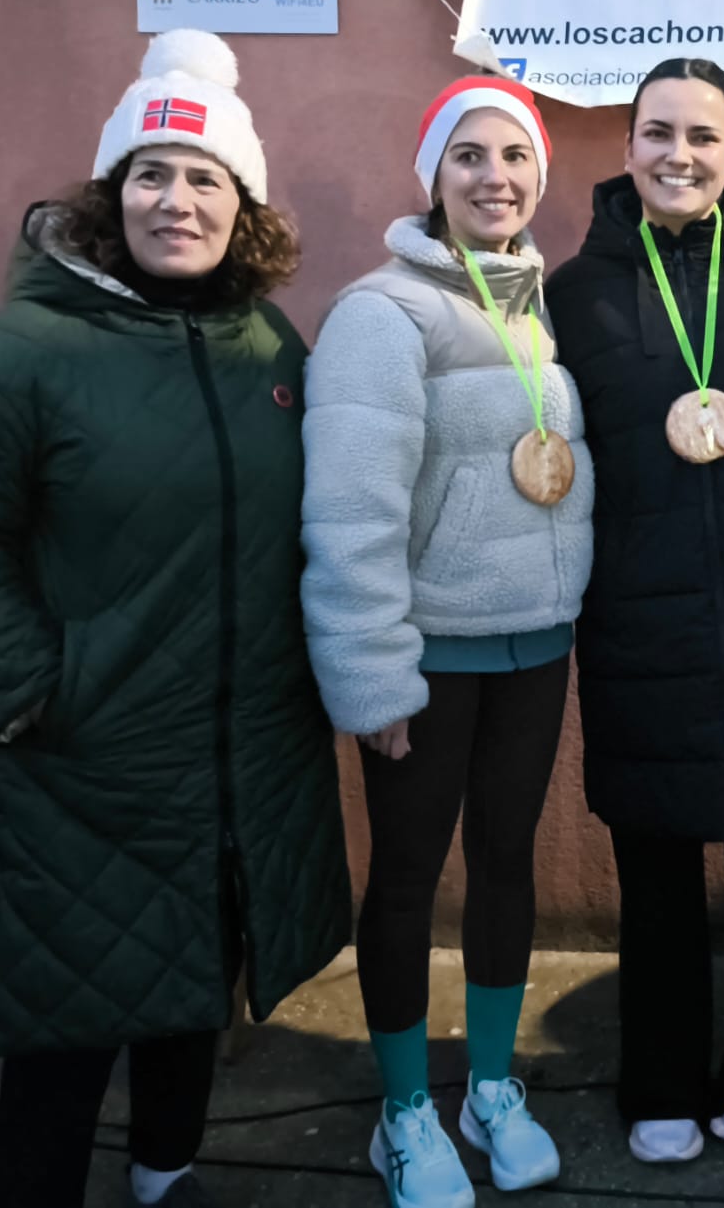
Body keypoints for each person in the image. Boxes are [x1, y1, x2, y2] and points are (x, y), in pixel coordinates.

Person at [0, 31, 352, 1208]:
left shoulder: (270, 343)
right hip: (89, 752)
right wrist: (30, 687)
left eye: (207, 179)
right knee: (70, 1011)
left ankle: (166, 1173)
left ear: (241, 204)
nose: (178, 199)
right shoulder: (25, 351)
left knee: (196, 976)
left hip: (244, 742)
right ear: (112, 195)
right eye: (152, 173)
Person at [301, 75, 594, 1208]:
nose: (495, 177)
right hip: (428, 660)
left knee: (507, 866)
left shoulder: (530, 307)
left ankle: (488, 1084)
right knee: (411, 880)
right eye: (468, 156)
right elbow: (352, 510)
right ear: (432, 173)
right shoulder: (384, 312)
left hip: (532, 646)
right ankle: (405, 1109)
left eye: (515, 158)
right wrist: (371, 672)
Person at [545, 57, 724, 1167]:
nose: (680, 155)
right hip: (640, 628)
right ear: (625, 148)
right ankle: (658, 1077)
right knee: (655, 877)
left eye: (702, 135)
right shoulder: (572, 292)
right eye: (657, 132)